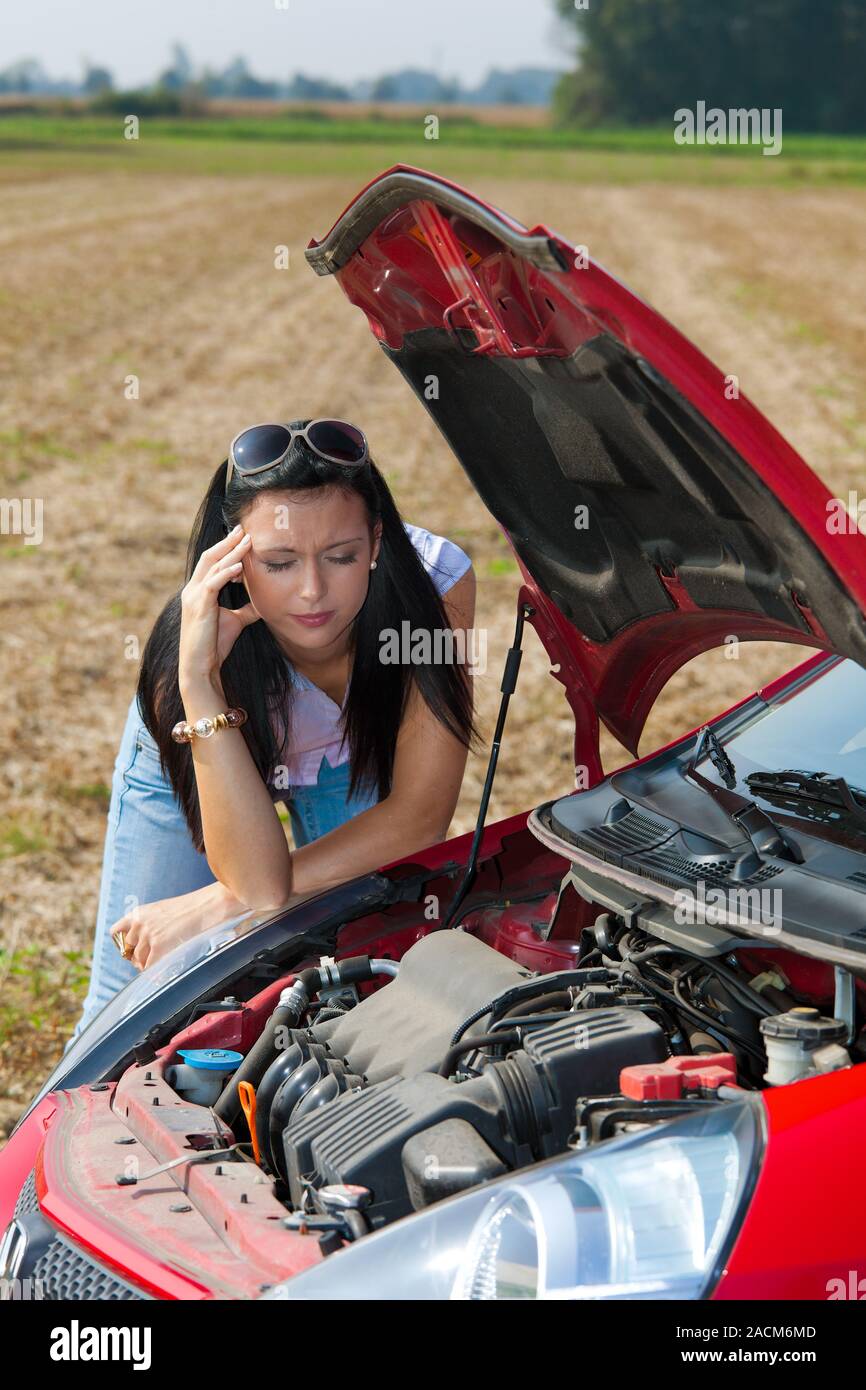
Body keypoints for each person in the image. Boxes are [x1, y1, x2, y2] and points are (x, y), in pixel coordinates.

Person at [67, 417, 480, 1045]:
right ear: (233, 560)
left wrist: (215, 906)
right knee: (127, 1013)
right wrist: (200, 682)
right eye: (279, 563)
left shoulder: (435, 586)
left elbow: (418, 818)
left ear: (376, 542)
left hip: (353, 752)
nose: (313, 591)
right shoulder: (185, 659)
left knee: (362, 969)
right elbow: (262, 883)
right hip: (202, 738)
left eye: (341, 557)